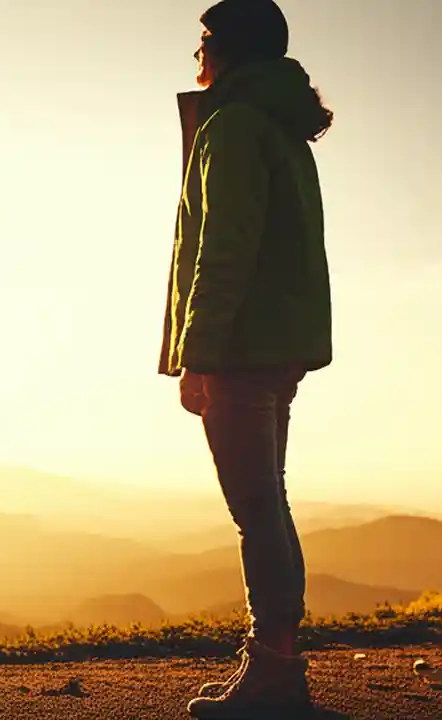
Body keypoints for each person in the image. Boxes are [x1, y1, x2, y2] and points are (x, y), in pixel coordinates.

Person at [157, 0, 334, 716]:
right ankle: (277, 668)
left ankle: (273, 674)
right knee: (269, 504)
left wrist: (198, 355)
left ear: (230, 49)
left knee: (255, 510)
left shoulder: (232, 125)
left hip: (239, 347)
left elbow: (223, 248)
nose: (197, 54)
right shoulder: (278, 126)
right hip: (277, 344)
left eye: (204, 40)